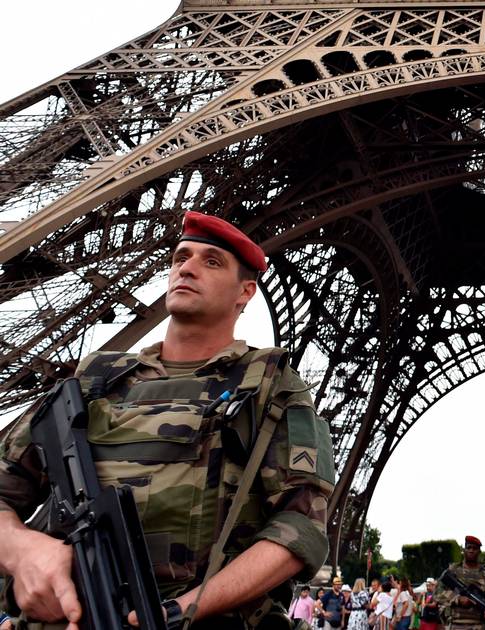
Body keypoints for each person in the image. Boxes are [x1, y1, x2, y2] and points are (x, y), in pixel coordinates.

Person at [0, 211, 334, 628]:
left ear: (245, 292)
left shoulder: (269, 386)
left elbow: (301, 524)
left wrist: (184, 609)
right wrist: (23, 550)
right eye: (181, 257)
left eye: (211, 261)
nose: (188, 267)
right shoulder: (92, 381)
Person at [437, 535, 485, 629]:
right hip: (456, 624)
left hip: (479, 624)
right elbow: (437, 593)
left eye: (474, 548)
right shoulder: (453, 570)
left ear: (479, 551)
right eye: (468, 547)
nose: (471, 550)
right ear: (464, 550)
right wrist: (457, 599)